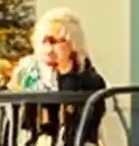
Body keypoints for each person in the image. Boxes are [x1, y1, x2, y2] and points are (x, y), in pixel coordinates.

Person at [9, 8, 107, 146]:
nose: (48, 49)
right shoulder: (29, 72)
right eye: (44, 41)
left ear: (73, 45)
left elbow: (83, 128)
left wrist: (65, 72)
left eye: (55, 42)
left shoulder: (89, 80)